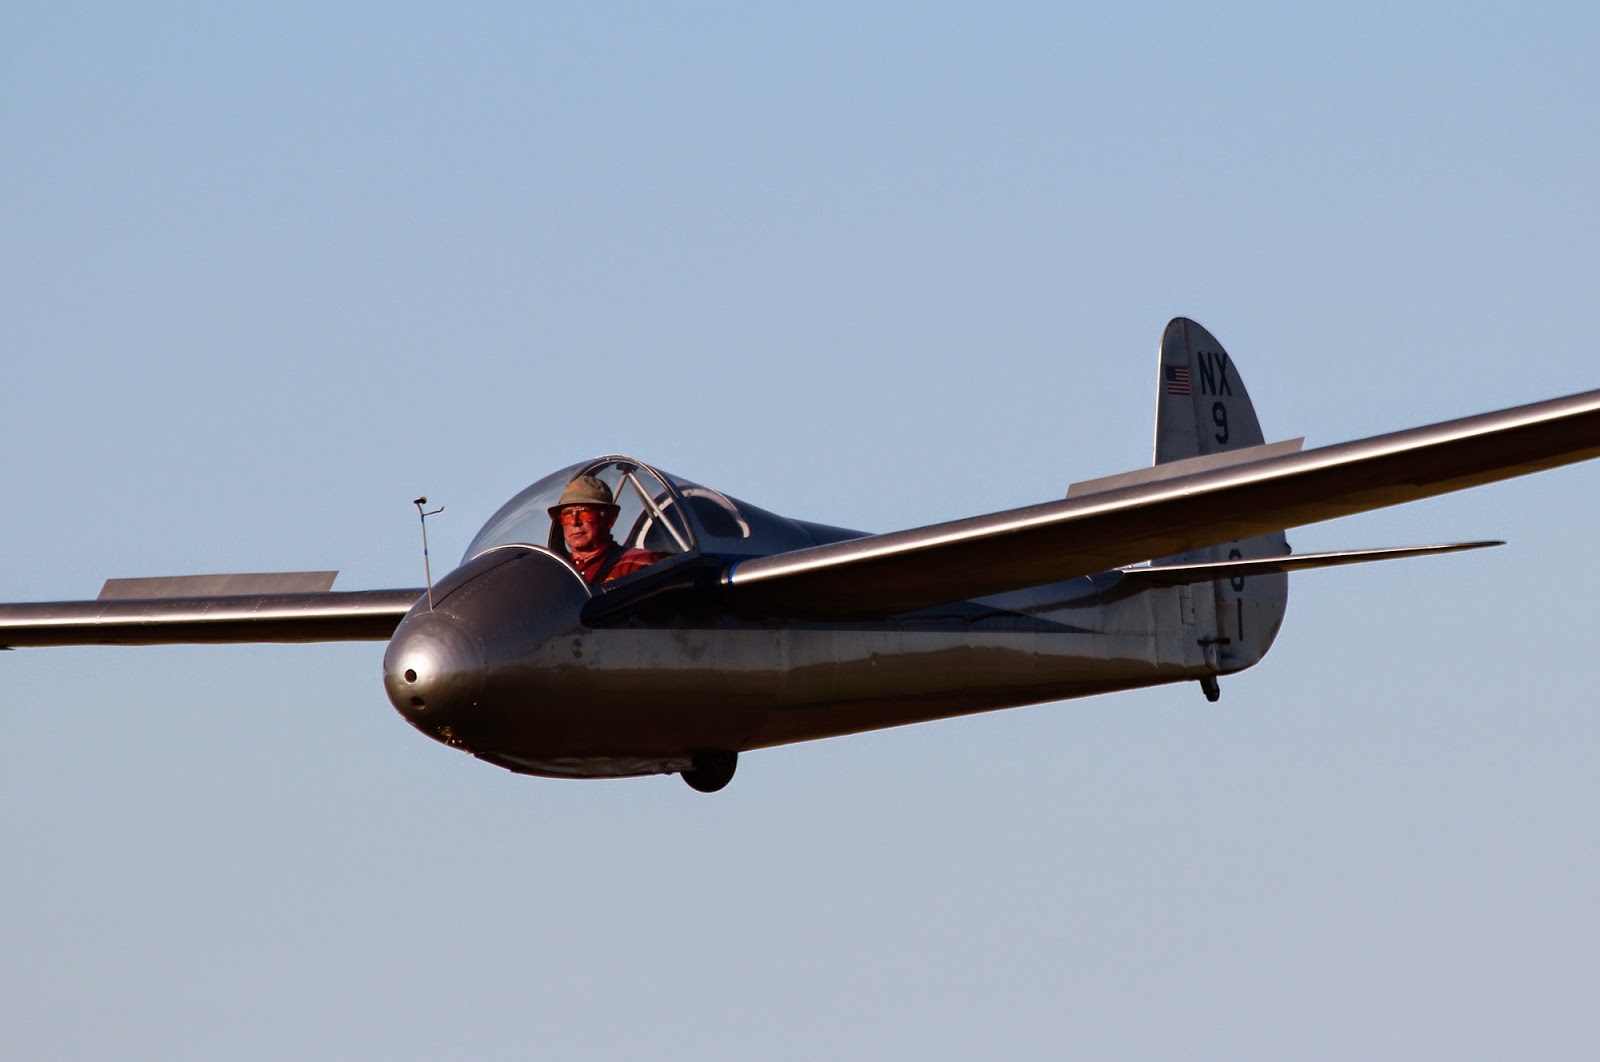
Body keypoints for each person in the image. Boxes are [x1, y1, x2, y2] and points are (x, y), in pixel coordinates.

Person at [547, 476, 660, 585]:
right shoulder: (553, 573)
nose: (575, 522)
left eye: (585, 513)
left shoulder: (636, 563)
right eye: (567, 515)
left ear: (610, 519)